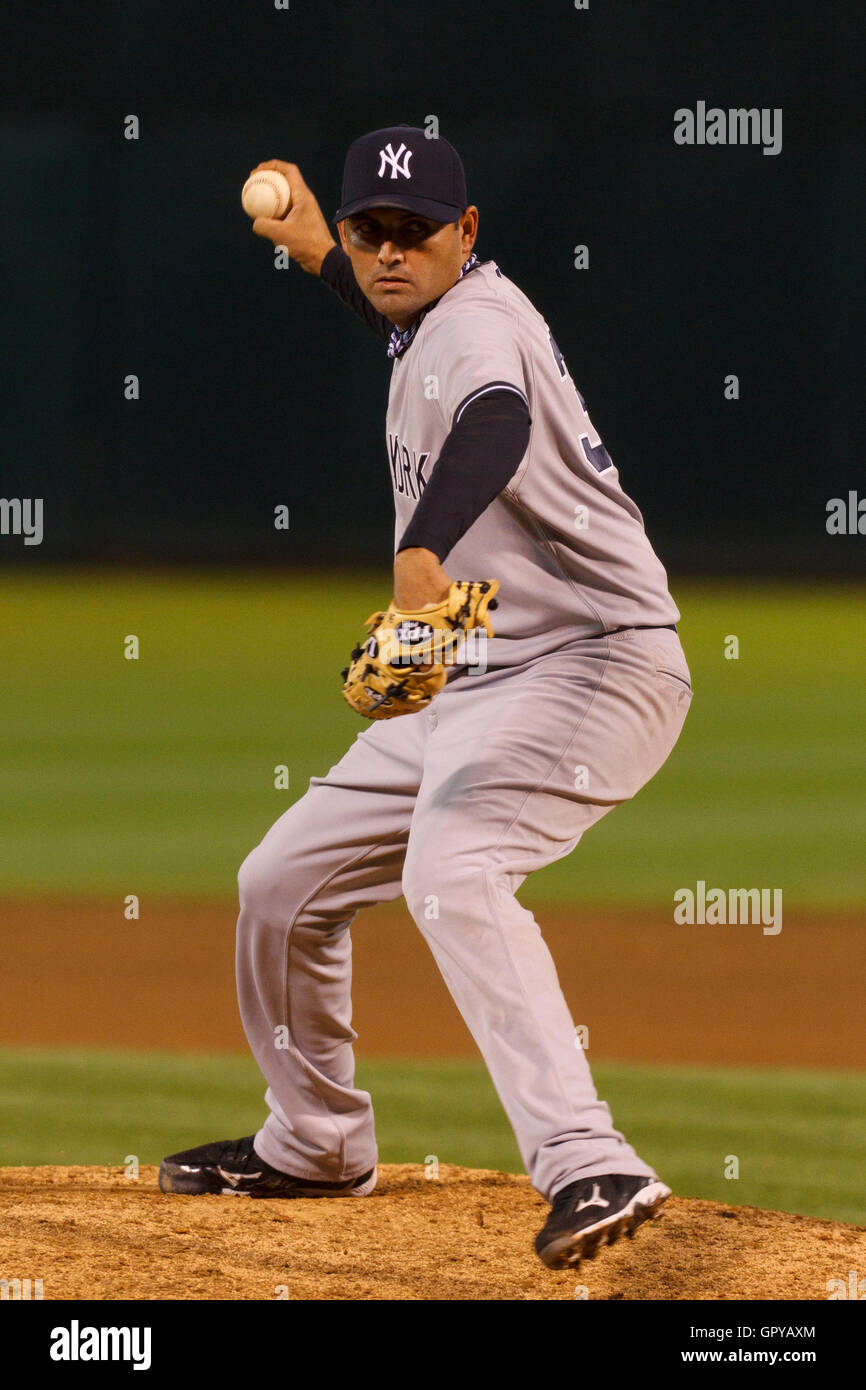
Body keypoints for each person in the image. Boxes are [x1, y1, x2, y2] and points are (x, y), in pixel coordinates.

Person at [159, 126, 693, 1271]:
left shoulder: (483, 328)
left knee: (451, 870)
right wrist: (313, 247)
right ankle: (313, 1141)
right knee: (281, 882)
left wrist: (420, 551)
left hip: (600, 663)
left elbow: (491, 419)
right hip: (482, 673)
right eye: (371, 231)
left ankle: (586, 1157)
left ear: (468, 233)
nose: (390, 251)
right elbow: (390, 313)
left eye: (415, 231)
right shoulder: (430, 310)